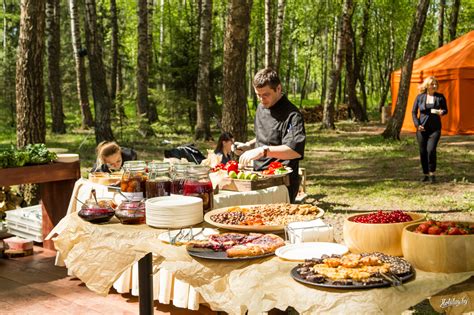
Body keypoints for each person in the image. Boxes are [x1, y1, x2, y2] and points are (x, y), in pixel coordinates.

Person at [237, 68, 306, 203]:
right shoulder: (261, 108)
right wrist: (248, 146)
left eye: (266, 95)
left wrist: (263, 151)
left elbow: (294, 151)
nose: (261, 99)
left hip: (282, 183)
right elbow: (267, 137)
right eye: (258, 95)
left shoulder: (292, 115)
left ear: (278, 88)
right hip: (258, 177)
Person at [412, 76, 448, 183]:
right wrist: (417, 125)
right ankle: (425, 174)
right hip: (422, 129)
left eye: (436, 84)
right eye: (432, 84)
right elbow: (413, 112)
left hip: (435, 129)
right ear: (427, 85)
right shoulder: (420, 97)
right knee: (423, 151)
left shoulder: (440, 97)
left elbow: (445, 110)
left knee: (431, 150)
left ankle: (432, 174)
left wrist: (441, 112)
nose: (435, 86)